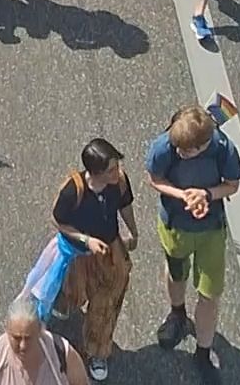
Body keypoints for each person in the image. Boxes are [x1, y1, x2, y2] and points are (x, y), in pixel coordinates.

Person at [145, 104, 240, 374]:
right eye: (176, 147)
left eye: (186, 151)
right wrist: (186, 195)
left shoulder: (222, 148)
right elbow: (155, 178)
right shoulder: (165, 145)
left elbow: (232, 185)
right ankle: (177, 314)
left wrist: (207, 195)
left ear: (203, 145)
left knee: (210, 294)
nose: (178, 152)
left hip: (211, 230)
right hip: (175, 226)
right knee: (177, 274)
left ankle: (203, 350)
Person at [52, 140, 137, 382]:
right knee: (73, 293)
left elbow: (125, 206)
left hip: (110, 251)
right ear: (95, 172)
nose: (117, 172)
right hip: (79, 254)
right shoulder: (73, 189)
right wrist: (86, 240)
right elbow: (58, 221)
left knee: (107, 302)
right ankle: (64, 301)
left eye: (117, 165)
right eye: (111, 169)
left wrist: (133, 231)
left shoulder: (119, 182)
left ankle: (97, 350)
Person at [0, 297, 88, 385]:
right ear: (7, 330)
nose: (22, 346)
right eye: (16, 338)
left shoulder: (61, 353)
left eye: (28, 338)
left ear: (40, 331)